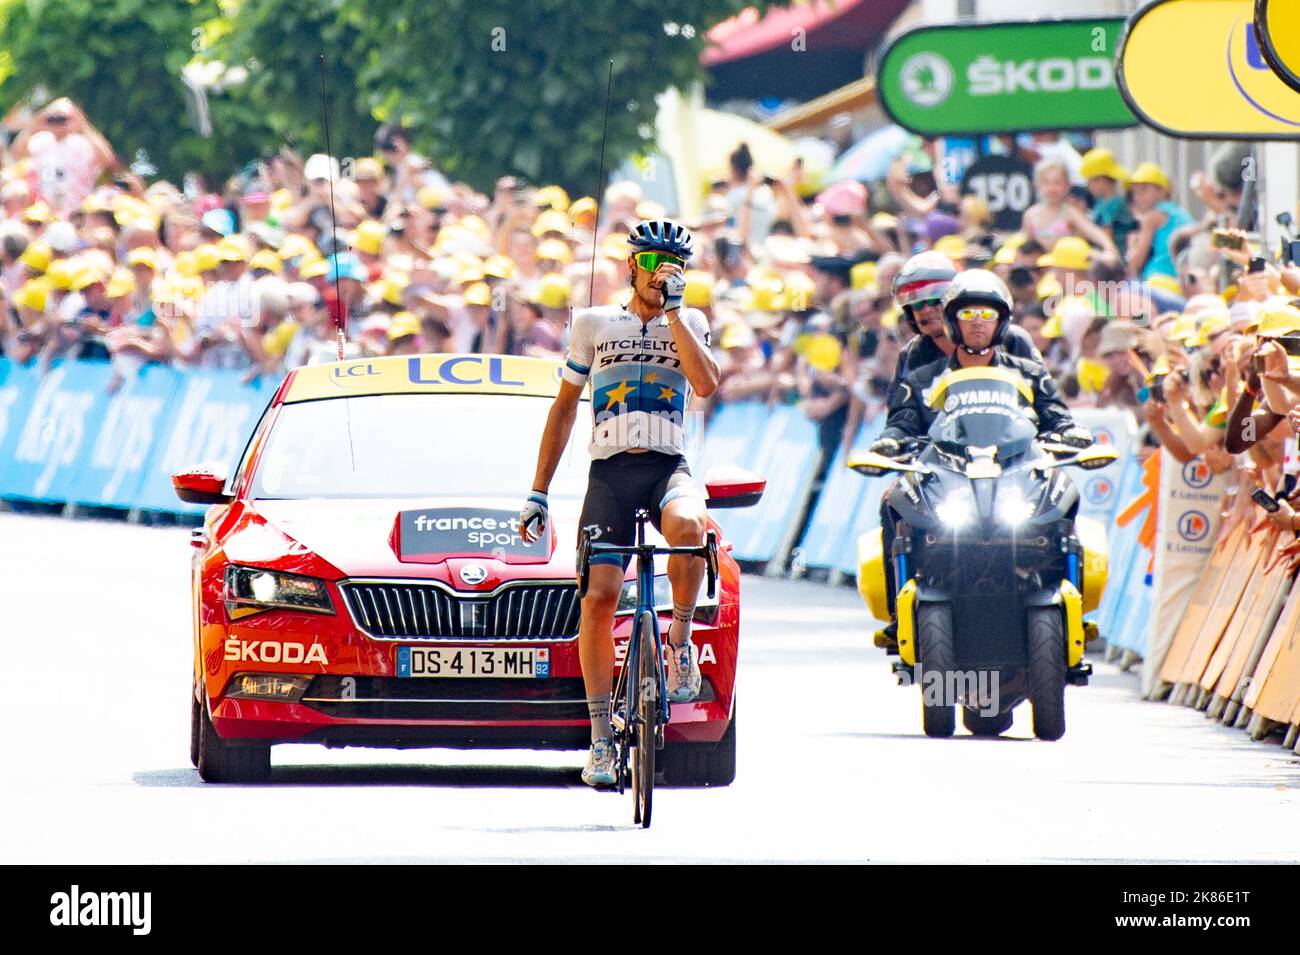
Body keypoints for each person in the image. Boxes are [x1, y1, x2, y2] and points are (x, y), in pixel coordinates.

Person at [517, 218, 719, 788]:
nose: (662, 275)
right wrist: (538, 490)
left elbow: (706, 384)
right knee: (600, 598)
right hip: (609, 473)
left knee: (689, 525)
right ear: (632, 266)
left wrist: (675, 315)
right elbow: (563, 408)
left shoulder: (691, 321)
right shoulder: (594, 323)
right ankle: (602, 737)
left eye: (673, 266)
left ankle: (679, 641)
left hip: (665, 466)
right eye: (652, 263)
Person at [867, 270, 1092, 646]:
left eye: (987, 315)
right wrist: (890, 441)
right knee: (894, 500)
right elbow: (901, 421)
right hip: (946, 469)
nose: (977, 324)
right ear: (952, 322)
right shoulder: (921, 375)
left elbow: (1055, 413)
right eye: (967, 315)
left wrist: (1070, 431)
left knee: (1063, 493)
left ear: (1001, 322)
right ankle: (897, 614)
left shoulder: (1027, 368)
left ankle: (1075, 612)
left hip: (1014, 468)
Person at [885, 251, 1042, 405]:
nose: (926, 310)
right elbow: (898, 411)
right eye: (917, 304)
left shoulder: (1012, 340)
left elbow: (1044, 399)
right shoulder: (912, 354)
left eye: (935, 300)